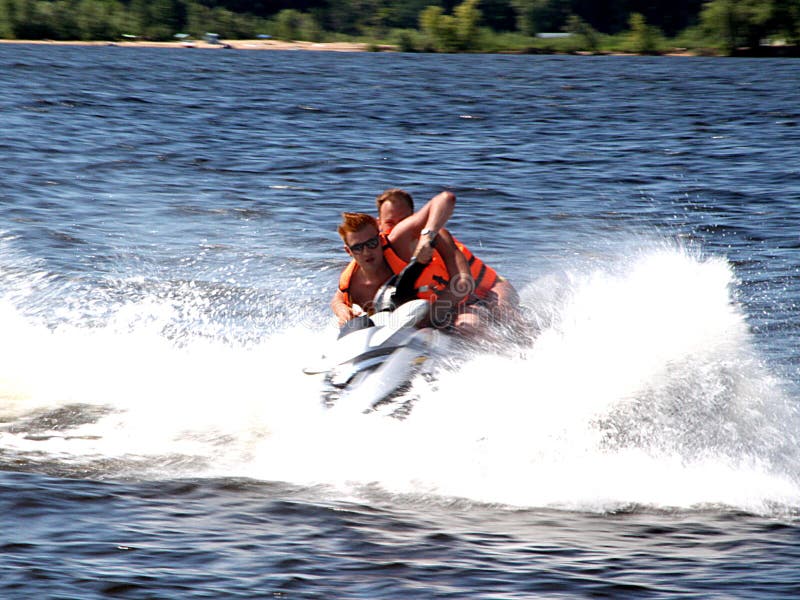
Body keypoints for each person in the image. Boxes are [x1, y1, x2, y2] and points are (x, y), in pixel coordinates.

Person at [331, 191, 472, 328]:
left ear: (380, 239)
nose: (367, 251)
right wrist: (342, 310)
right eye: (358, 248)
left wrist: (426, 236)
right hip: (401, 323)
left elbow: (446, 198)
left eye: (372, 244)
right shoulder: (354, 282)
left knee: (468, 325)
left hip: (452, 305)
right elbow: (338, 299)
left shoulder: (398, 243)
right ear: (349, 251)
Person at [376, 188, 521, 322]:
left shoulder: (438, 237)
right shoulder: (375, 251)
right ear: (379, 224)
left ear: (415, 219)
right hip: (460, 301)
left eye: (404, 221)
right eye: (389, 222)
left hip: (492, 287)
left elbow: (446, 198)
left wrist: (427, 237)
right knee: (469, 324)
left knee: (504, 314)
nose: (398, 227)